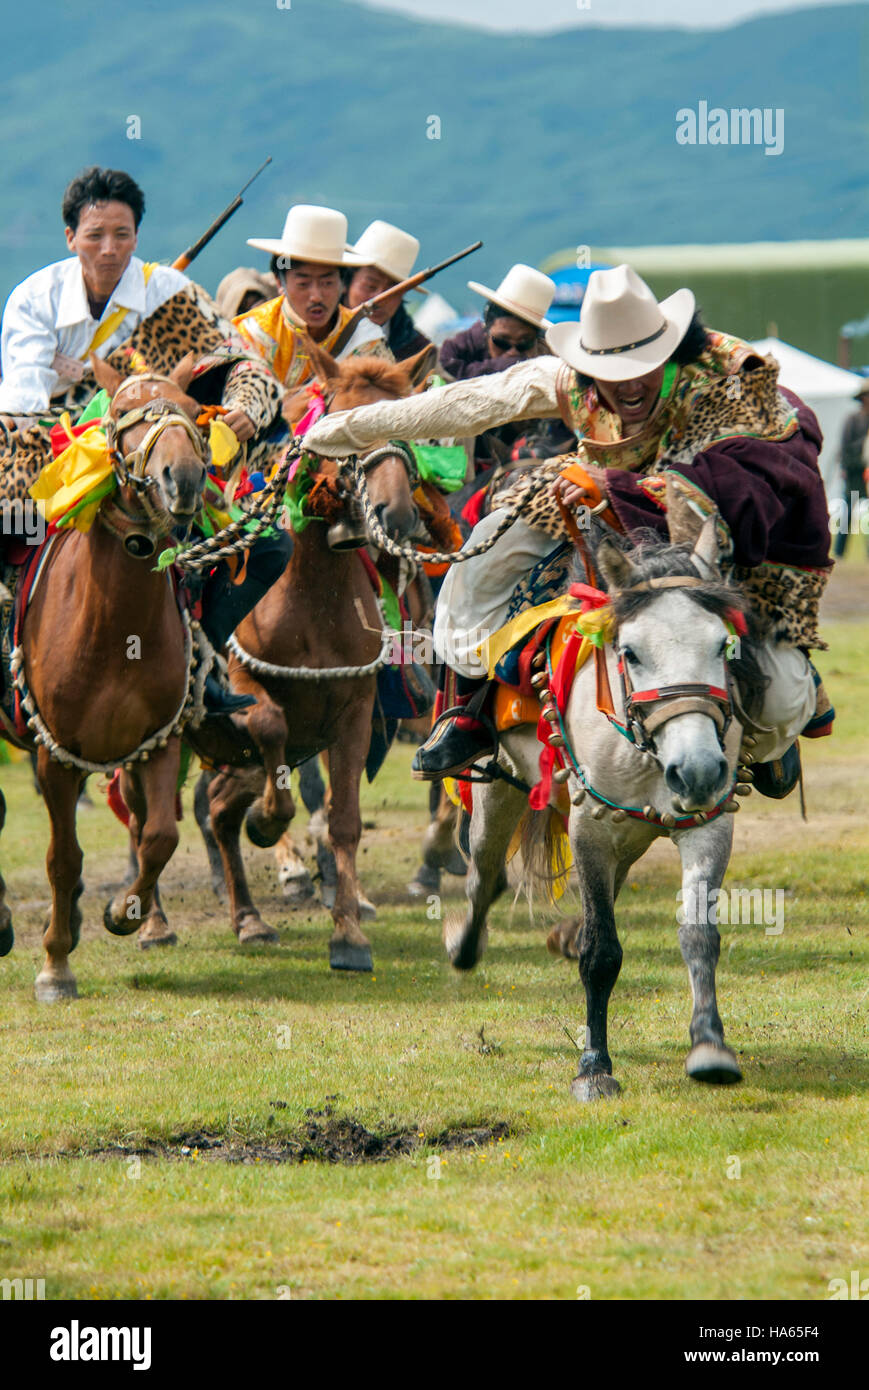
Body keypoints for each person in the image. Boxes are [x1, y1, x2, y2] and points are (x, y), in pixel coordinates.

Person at [301, 264, 833, 799]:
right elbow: (462, 404)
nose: (628, 383)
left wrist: (616, 487)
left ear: (668, 352)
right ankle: (468, 709)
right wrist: (334, 433)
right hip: (591, 489)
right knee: (483, 554)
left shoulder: (730, 385)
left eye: (642, 365)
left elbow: (752, 487)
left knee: (781, 694)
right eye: (612, 368)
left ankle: (768, 733)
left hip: (722, 527)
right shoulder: (569, 379)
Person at [0, 166, 290, 716]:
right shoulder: (34, 298)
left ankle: (203, 656)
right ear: (70, 238)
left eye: (123, 235)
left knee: (269, 543)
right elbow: (24, 410)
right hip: (53, 451)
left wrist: (247, 409)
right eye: (94, 236)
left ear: (138, 236)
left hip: (156, 455)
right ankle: (9, 665)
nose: (109, 250)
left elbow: (244, 364)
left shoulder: (170, 292)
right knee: (8, 527)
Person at [234, 205, 392, 392]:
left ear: (343, 284)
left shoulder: (366, 341)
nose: (316, 297)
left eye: (327, 283)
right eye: (303, 284)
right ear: (279, 282)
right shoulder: (254, 334)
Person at [439, 265, 574, 477]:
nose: (512, 353)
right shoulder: (458, 353)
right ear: (486, 331)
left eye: (523, 344)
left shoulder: (553, 365)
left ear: (536, 341)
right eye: (501, 342)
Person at [345, 220, 432, 362]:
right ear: (346, 283)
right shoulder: (315, 331)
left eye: (393, 291)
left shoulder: (418, 351)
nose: (380, 299)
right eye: (370, 286)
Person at [833, 380, 869, 559]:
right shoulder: (853, 419)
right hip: (855, 473)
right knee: (848, 512)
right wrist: (846, 467)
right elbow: (845, 446)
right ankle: (839, 551)